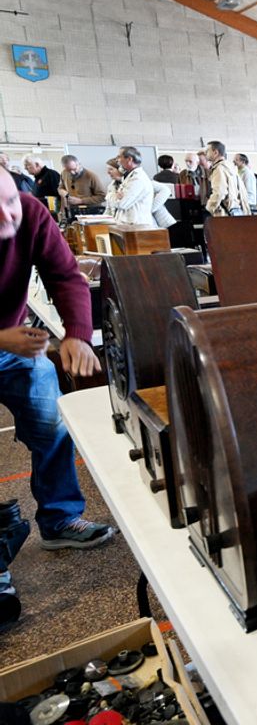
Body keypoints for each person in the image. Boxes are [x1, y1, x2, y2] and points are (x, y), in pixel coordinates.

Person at [0, 171, 113, 632]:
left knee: (51, 424)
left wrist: (78, 337)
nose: (10, 213)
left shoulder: (28, 211)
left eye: (9, 198)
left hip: (17, 344)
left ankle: (60, 517)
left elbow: (66, 275)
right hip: (6, 337)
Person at [110, 146, 156, 226]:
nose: (118, 161)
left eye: (119, 157)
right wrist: (116, 196)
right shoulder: (130, 177)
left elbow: (122, 204)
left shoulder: (138, 179)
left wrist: (112, 196)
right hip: (128, 225)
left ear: (129, 159)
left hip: (137, 226)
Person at [204, 141, 251, 217]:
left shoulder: (219, 169)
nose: (205, 153)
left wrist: (209, 207)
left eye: (207, 151)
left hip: (224, 213)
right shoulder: (231, 167)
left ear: (215, 152)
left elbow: (219, 192)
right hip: (235, 209)